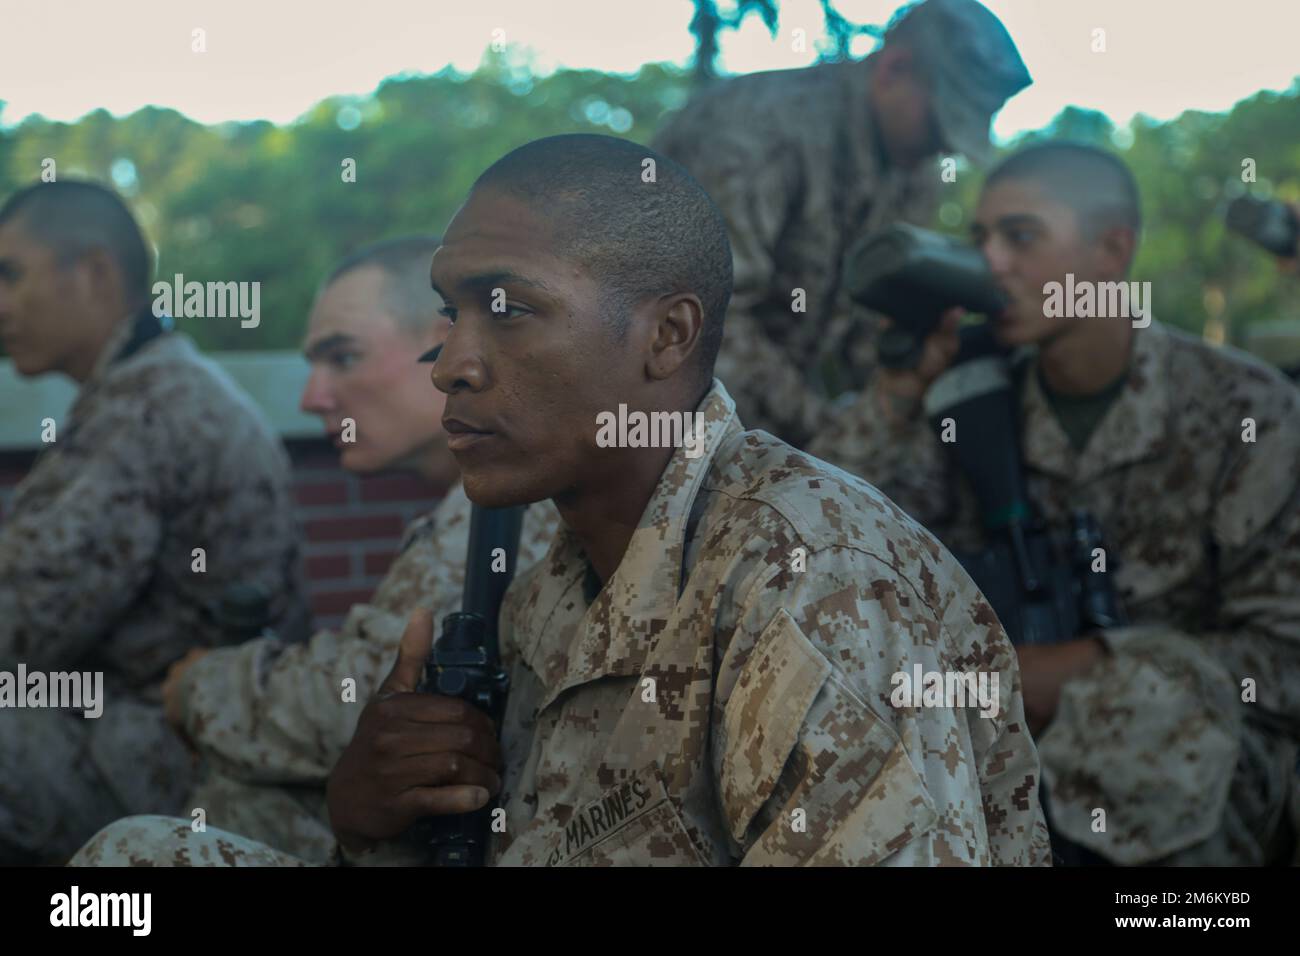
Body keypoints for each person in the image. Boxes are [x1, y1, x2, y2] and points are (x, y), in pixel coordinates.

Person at [72, 134, 1049, 867]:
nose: (452, 362)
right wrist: (370, 822)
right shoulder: (543, 556)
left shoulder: (813, 581)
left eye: (508, 310)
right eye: (451, 313)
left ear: (665, 336)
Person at [810, 142, 1300, 865]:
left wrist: (1082, 672)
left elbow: (1285, 661)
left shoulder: (1248, 410)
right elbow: (824, 542)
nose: (992, 263)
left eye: (1021, 236)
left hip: (1197, 770)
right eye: (980, 240)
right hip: (996, 738)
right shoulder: (971, 397)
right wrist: (900, 391)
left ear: (1110, 251)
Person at [159, 237, 559, 862]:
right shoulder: (483, 502)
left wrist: (198, 687)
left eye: (343, 357)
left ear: (449, 343)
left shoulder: (509, 508)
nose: (312, 397)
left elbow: (365, 707)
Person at [0, 180, 309, 863]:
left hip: (170, 765)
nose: (0, 303)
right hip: (176, 744)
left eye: (11, 273)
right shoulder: (155, 388)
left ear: (95, 274)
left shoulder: (146, 409)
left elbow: (21, 629)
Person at [651, 0, 1031, 446]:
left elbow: (867, 328)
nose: (943, 146)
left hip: (758, 431)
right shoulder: (756, 131)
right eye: (939, 124)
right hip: (650, 425)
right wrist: (823, 436)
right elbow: (704, 323)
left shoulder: (911, 168)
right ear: (894, 69)